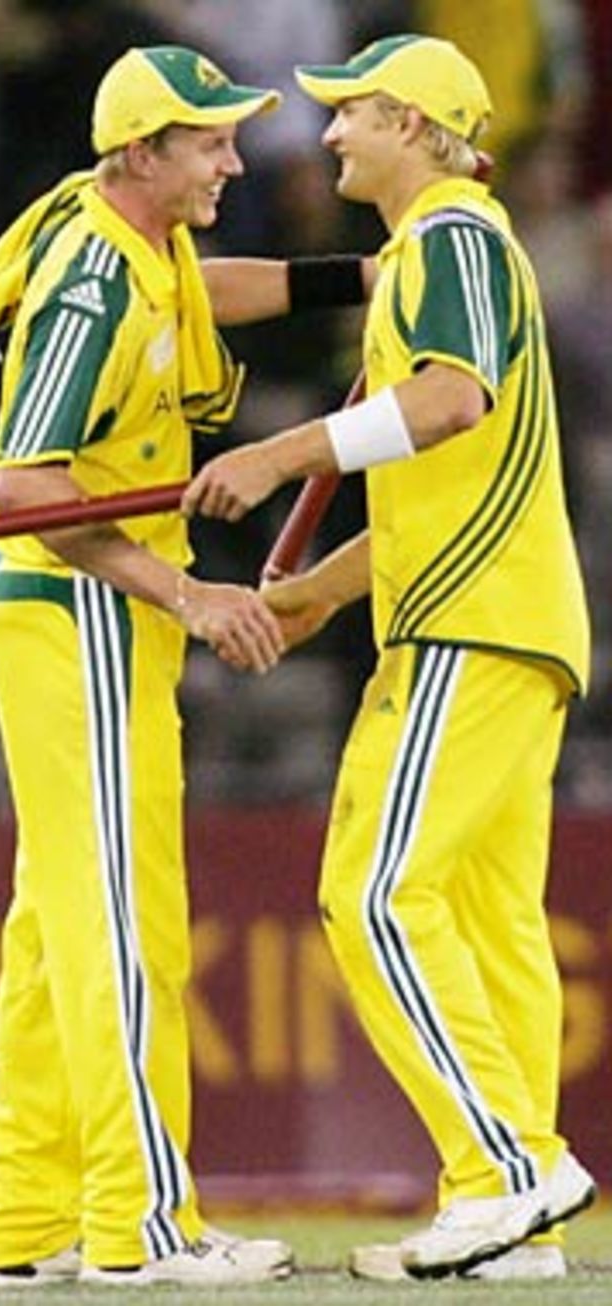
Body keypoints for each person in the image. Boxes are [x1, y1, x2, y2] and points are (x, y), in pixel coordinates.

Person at [0, 44, 377, 1286]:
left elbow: (211, 288)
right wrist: (187, 591)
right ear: (143, 153)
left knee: (53, 933)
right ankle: (146, 1227)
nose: (235, 161)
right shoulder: (95, 278)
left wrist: (356, 275)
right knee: (127, 930)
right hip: (82, 610)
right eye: (211, 143)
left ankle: (26, 1229)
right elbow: (25, 486)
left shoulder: (140, 247)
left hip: (81, 620)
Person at [183, 34, 596, 1281]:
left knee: (375, 897)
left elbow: (451, 403)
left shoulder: (452, 240)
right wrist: (315, 589)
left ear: (418, 126)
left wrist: (276, 456)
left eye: (352, 114)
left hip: (469, 628)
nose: (327, 137)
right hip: (503, 621)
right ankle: (512, 1212)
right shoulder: (450, 250)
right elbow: (455, 473)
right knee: (487, 925)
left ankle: (513, 1171)